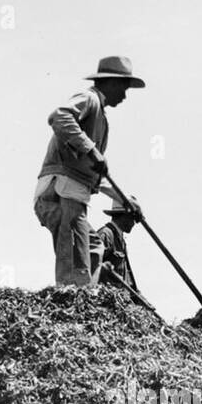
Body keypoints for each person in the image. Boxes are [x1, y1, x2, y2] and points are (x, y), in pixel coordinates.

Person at [33, 56, 145, 287]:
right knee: (75, 253)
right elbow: (59, 117)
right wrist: (91, 149)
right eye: (123, 88)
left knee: (93, 247)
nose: (124, 96)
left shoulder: (100, 117)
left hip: (73, 190)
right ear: (111, 83)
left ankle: (82, 299)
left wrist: (126, 202)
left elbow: (95, 175)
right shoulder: (89, 99)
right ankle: (72, 299)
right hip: (61, 191)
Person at [93, 203, 141, 295]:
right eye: (132, 218)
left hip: (121, 296)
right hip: (106, 296)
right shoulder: (106, 235)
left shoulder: (120, 239)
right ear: (124, 216)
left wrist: (137, 294)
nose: (134, 223)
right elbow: (93, 267)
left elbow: (125, 276)